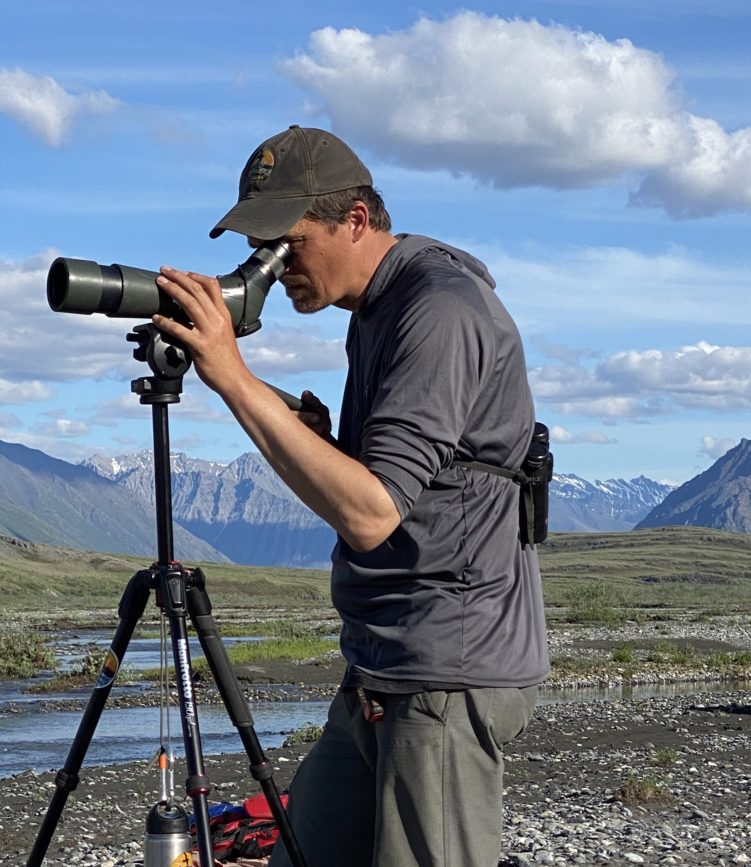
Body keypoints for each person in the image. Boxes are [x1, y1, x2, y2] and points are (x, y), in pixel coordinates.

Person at [152, 125, 550, 867]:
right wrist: (321, 443)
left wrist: (231, 376)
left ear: (356, 221)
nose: (273, 267)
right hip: (382, 661)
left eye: (287, 242)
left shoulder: (438, 307)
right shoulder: (375, 310)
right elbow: (393, 490)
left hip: (444, 667)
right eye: (260, 246)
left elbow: (369, 514)